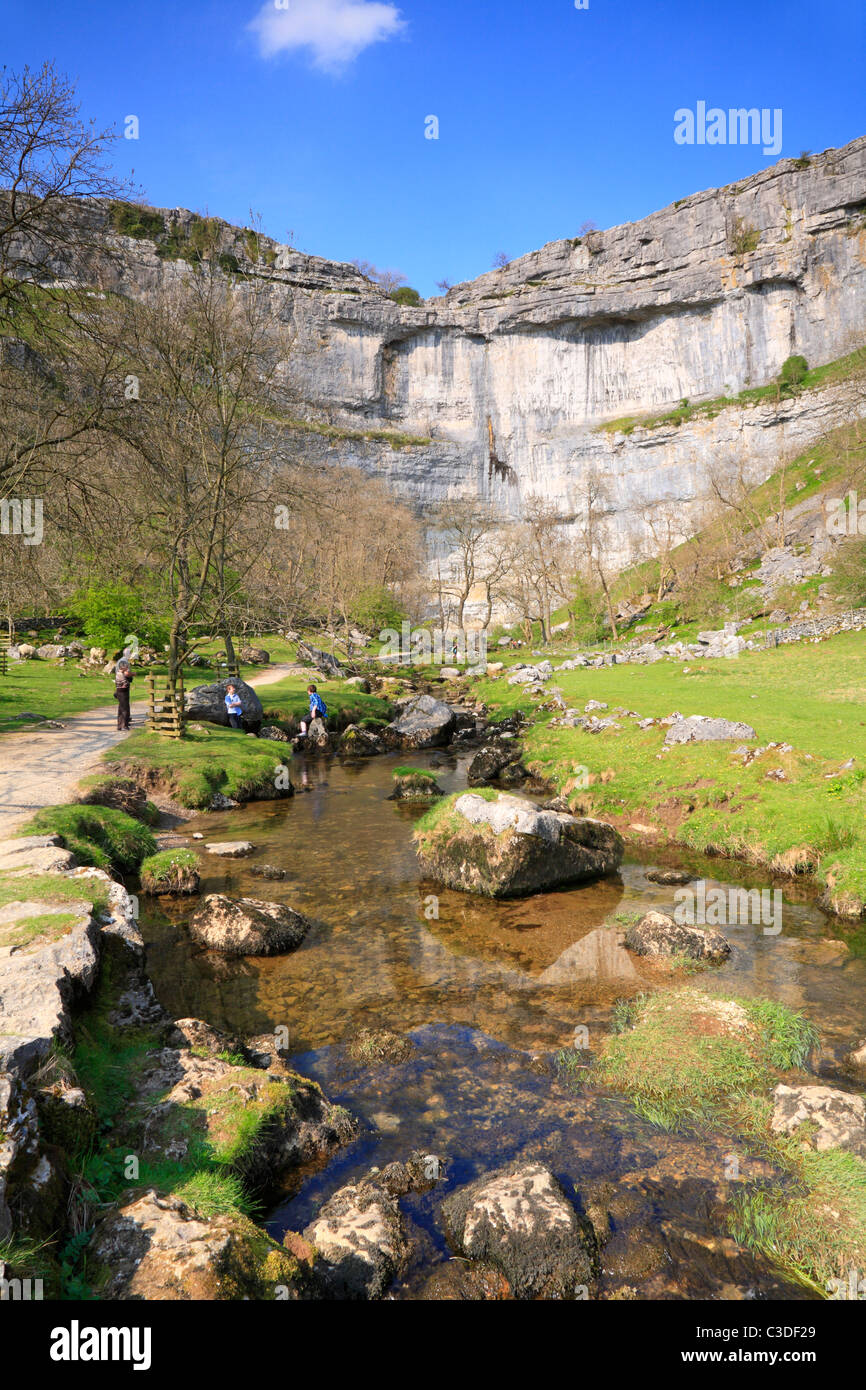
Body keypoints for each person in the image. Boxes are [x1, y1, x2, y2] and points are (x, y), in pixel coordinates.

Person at [114, 659, 133, 731]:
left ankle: (120, 725)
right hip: (122, 693)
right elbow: (126, 683)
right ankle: (124, 725)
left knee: (121, 709)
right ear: (122, 667)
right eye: (126, 667)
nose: (127, 669)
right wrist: (128, 677)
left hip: (121, 692)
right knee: (124, 709)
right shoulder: (120, 674)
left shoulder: (120, 674)